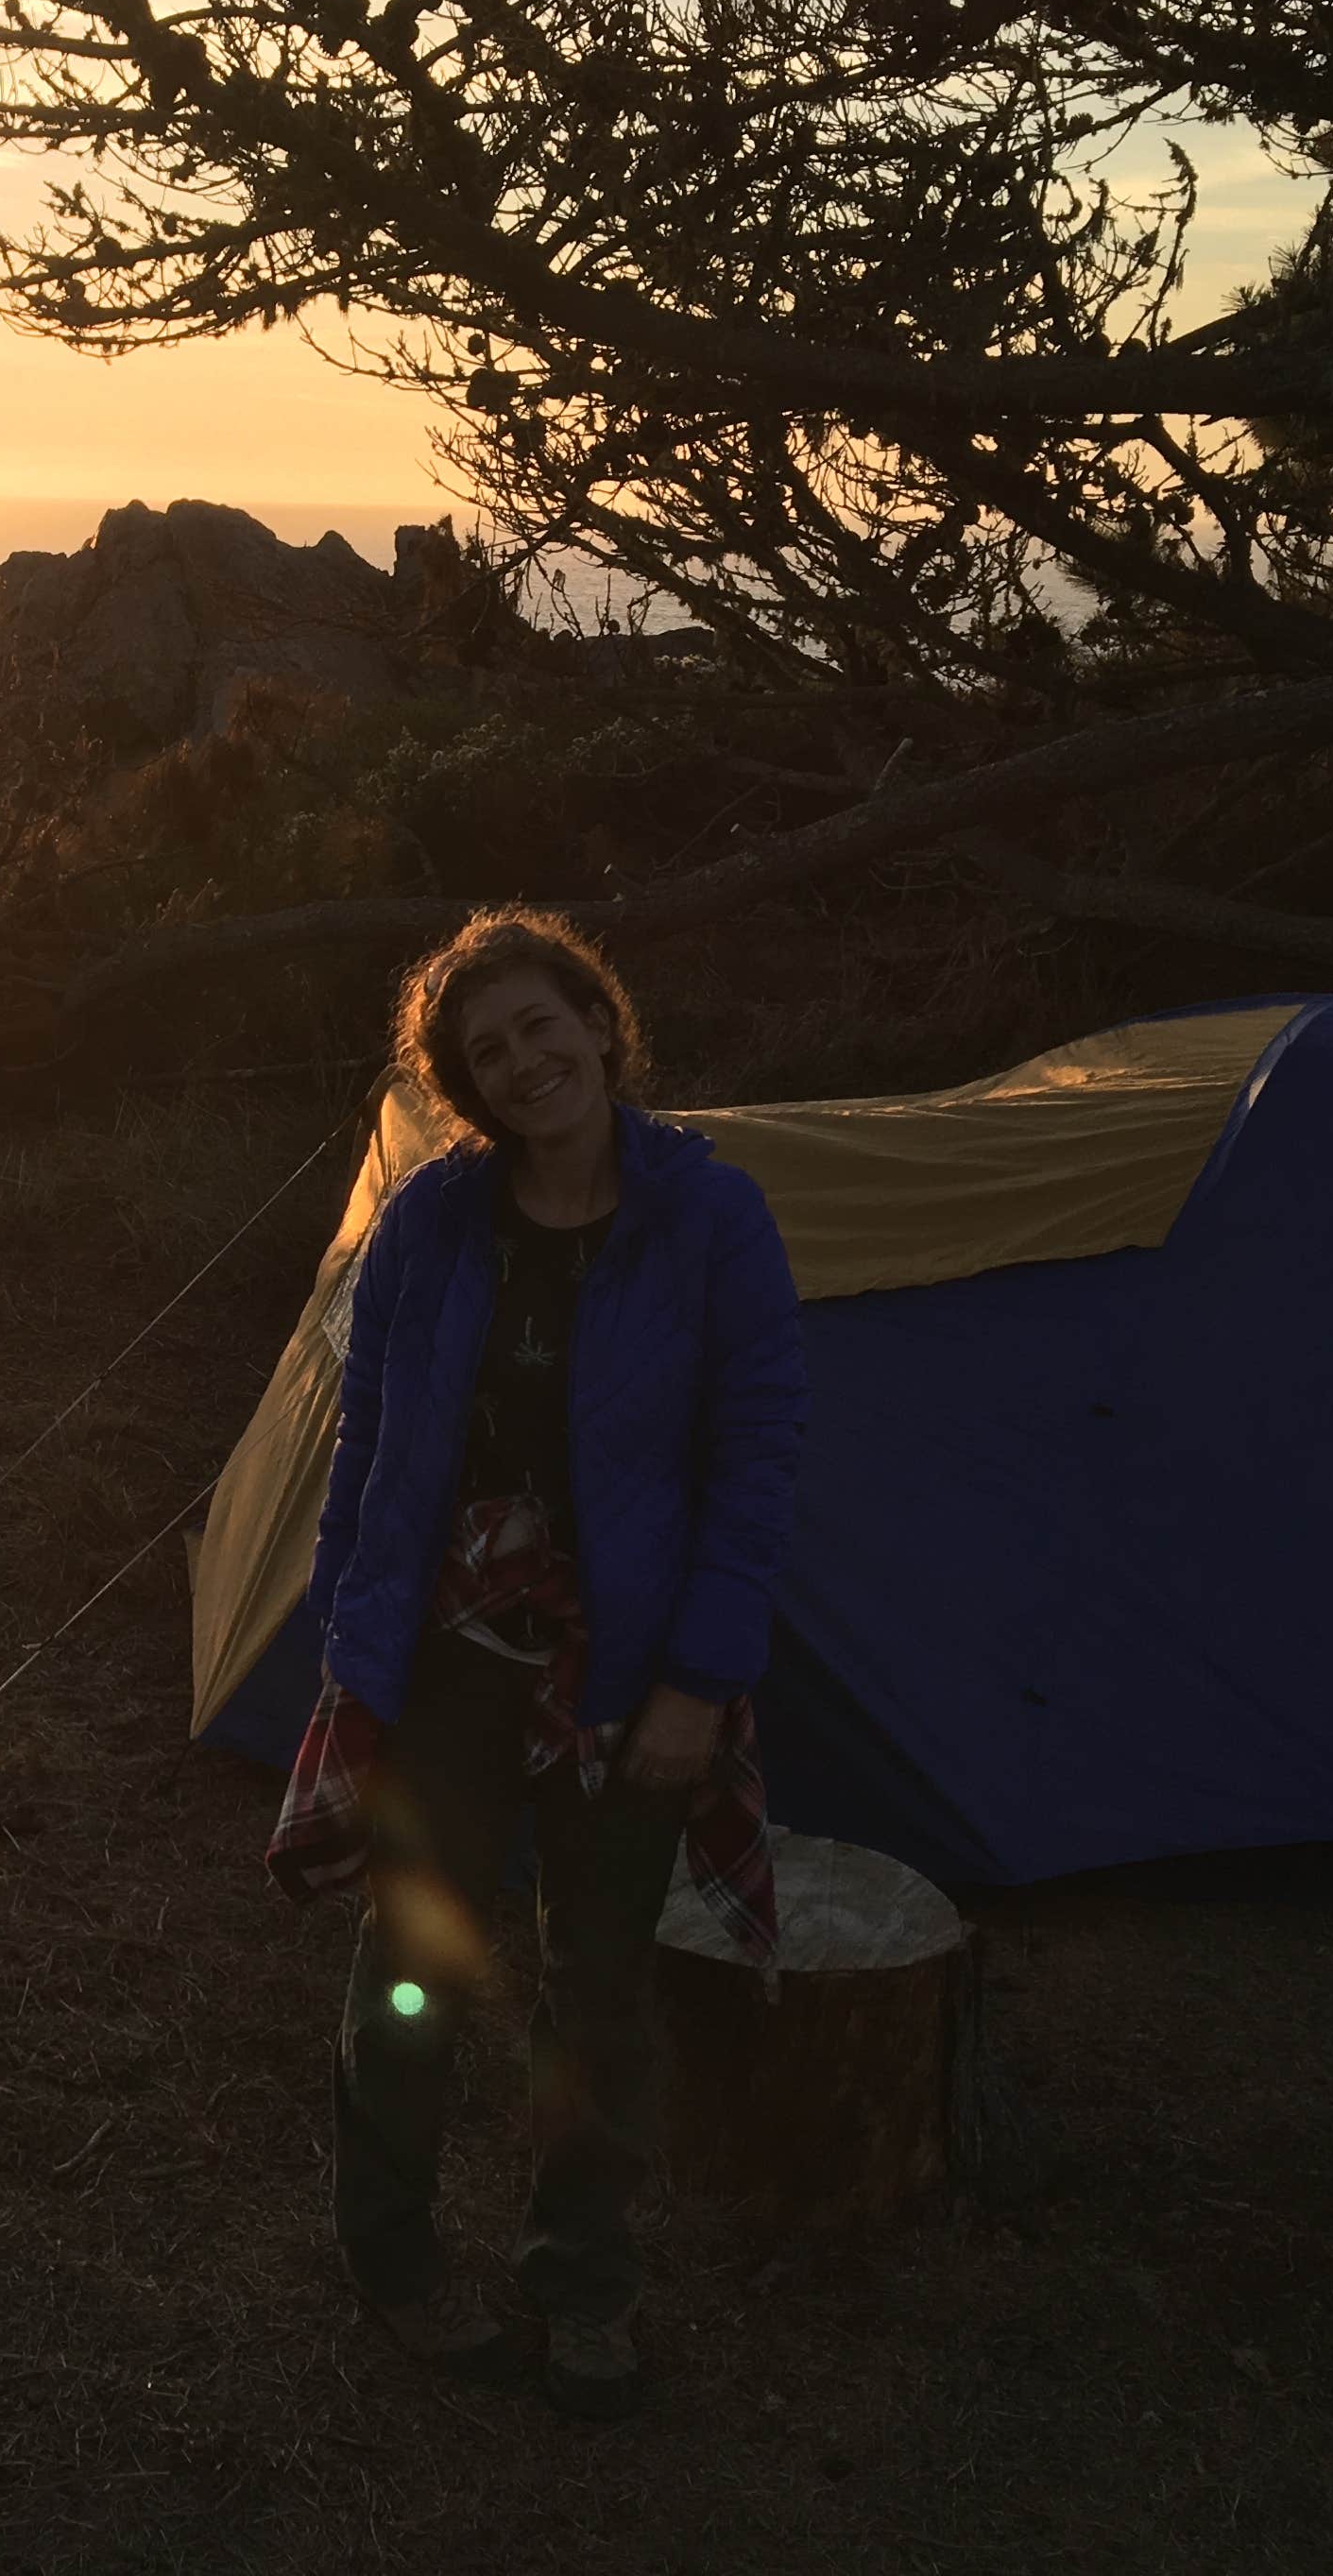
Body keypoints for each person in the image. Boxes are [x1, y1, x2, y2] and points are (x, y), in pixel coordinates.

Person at [266, 909, 807, 2420]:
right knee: (418, 1968)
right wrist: (358, 1645)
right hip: (449, 1648)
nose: (524, 1062)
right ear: (467, 1087)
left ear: (597, 1019)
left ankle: (582, 2280)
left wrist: (701, 1680)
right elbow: (369, 1442)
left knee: (599, 1986)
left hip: (628, 1662)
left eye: (541, 1025)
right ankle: (394, 2258)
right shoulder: (434, 1225)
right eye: (488, 1052)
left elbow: (755, 1463)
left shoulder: (711, 1220)